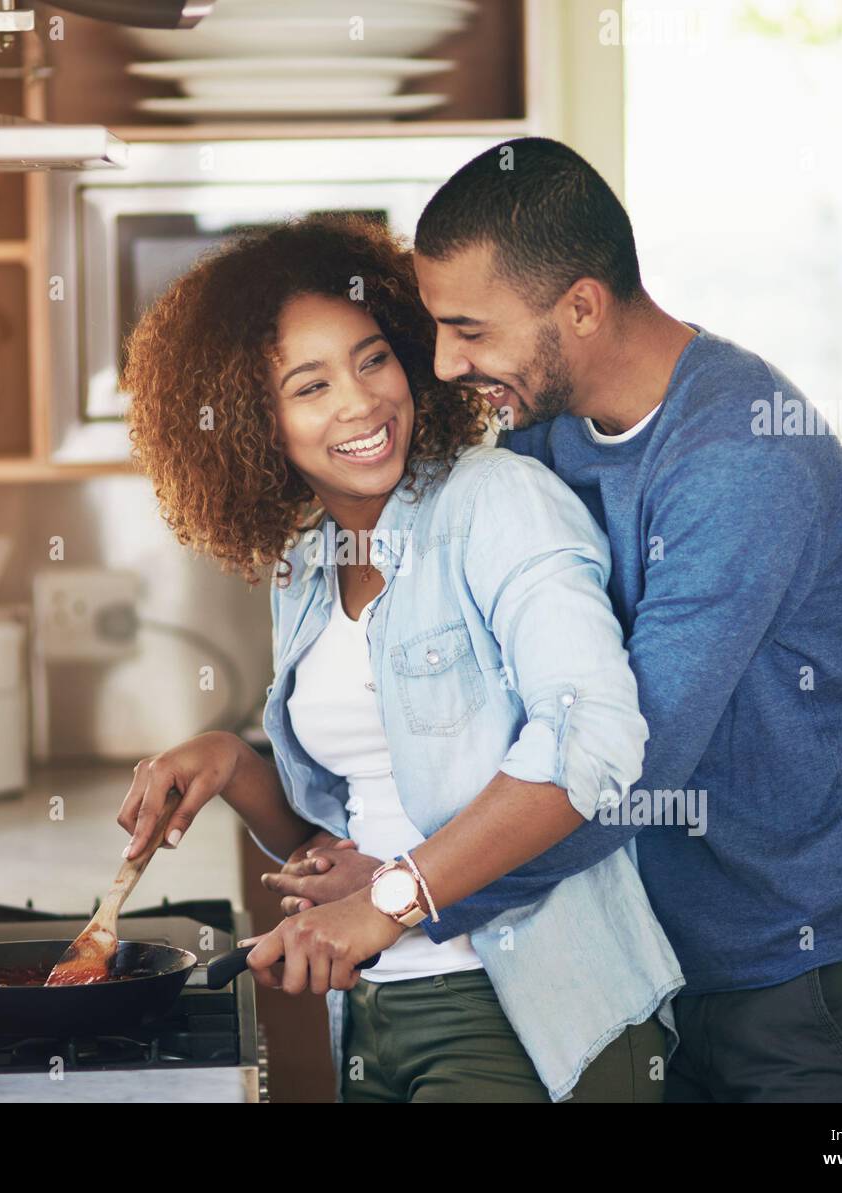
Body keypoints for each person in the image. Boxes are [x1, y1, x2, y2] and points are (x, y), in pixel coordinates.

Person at [276, 137, 842, 1103]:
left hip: (811, 974)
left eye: (468, 328)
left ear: (582, 308)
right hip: (659, 965)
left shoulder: (740, 459)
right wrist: (392, 850)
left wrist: (406, 892)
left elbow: (627, 758)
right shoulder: (546, 434)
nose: (444, 362)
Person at [117, 213, 682, 1103]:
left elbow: (594, 740)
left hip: (528, 1006)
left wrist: (385, 904)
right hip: (376, 1013)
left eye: (372, 358)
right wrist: (231, 764)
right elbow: (333, 842)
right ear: (257, 424)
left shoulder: (496, 502)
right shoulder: (305, 564)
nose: (360, 402)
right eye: (310, 386)